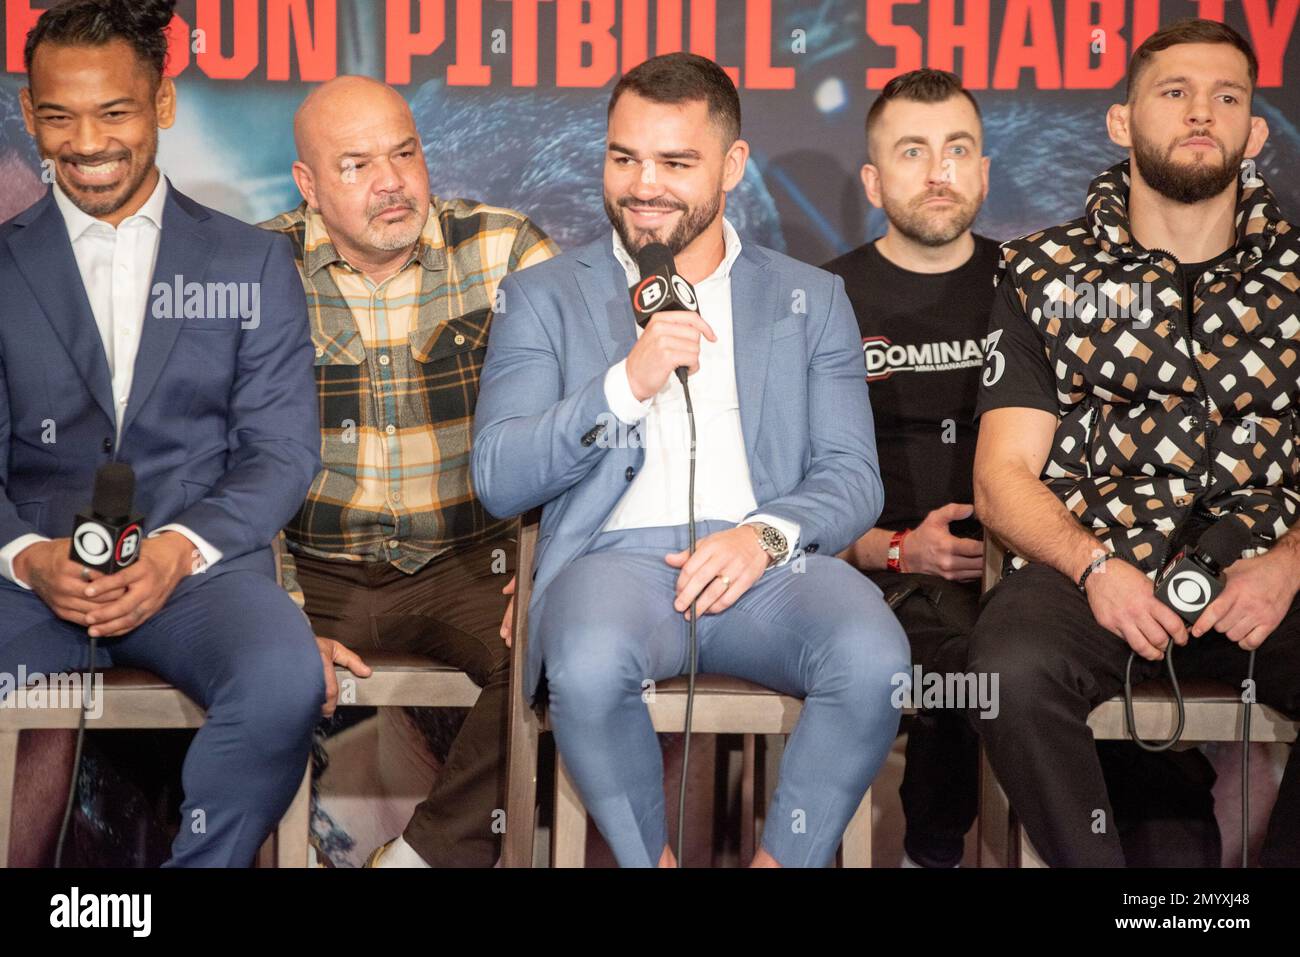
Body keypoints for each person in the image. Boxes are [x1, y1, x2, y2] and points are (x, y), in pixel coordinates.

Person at [472, 52, 910, 868]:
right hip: (613, 563)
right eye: (624, 157)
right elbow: (499, 474)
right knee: (589, 662)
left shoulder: (812, 299)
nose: (645, 185)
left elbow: (852, 476)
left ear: (732, 165)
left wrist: (764, 537)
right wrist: (623, 386)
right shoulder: (541, 295)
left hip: (767, 568)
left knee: (876, 656)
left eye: (676, 163)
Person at [0, 0, 324, 867]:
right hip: (28, 578)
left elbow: (282, 450)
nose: (87, 140)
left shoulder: (250, 262)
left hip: (194, 575)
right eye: (58, 114)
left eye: (115, 111)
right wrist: (29, 556)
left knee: (284, 680)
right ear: (30, 115)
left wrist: (178, 549)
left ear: (163, 105)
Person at [971, 17, 1300, 867]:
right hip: (1096, 569)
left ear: (1254, 131)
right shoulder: (1042, 271)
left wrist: (1291, 559)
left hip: (1266, 568)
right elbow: (1002, 479)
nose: (1202, 113)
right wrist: (1093, 566)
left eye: (1227, 97)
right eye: (1175, 92)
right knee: (1007, 672)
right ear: (1121, 121)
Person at [261, 75, 558, 868]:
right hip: (312, 564)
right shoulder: (258, 269)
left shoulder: (503, 247)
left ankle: (420, 860)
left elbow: (578, 424)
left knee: (554, 648)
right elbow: (228, 464)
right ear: (309, 185)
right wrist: (274, 601)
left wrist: (545, 564)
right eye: (356, 165)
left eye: (405, 153)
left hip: (466, 556)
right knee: (240, 659)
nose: (392, 182)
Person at [825, 68, 998, 869]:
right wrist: (892, 548)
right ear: (872, 178)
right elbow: (785, 479)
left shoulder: (1029, 289)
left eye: (958, 149)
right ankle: (920, 853)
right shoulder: (823, 298)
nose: (939, 172)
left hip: (1008, 575)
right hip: (861, 570)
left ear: (985, 170)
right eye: (913, 151)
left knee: (984, 650)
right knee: (951, 655)